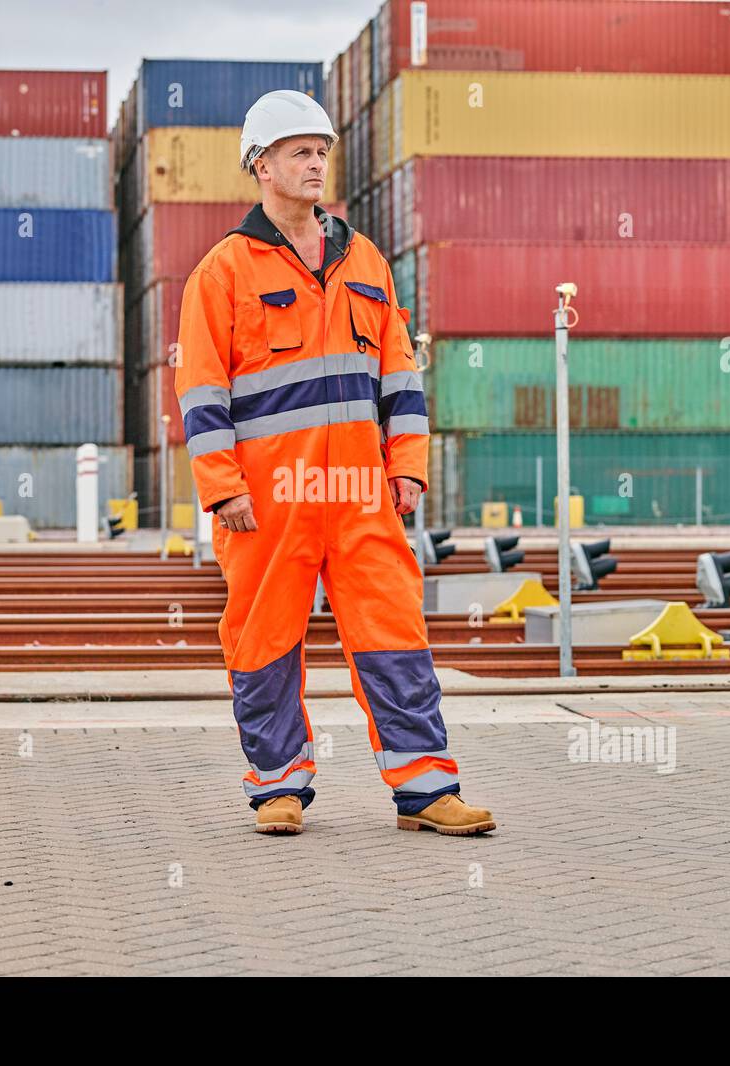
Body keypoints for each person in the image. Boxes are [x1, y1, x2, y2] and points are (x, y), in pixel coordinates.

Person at [174, 89, 495, 837]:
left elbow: (400, 375)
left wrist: (408, 464)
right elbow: (201, 392)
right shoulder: (222, 272)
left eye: (322, 150)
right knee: (264, 645)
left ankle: (426, 792)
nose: (316, 163)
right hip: (267, 500)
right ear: (261, 165)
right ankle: (278, 789)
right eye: (299, 151)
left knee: (395, 636)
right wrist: (222, 491)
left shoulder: (365, 259)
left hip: (358, 494)